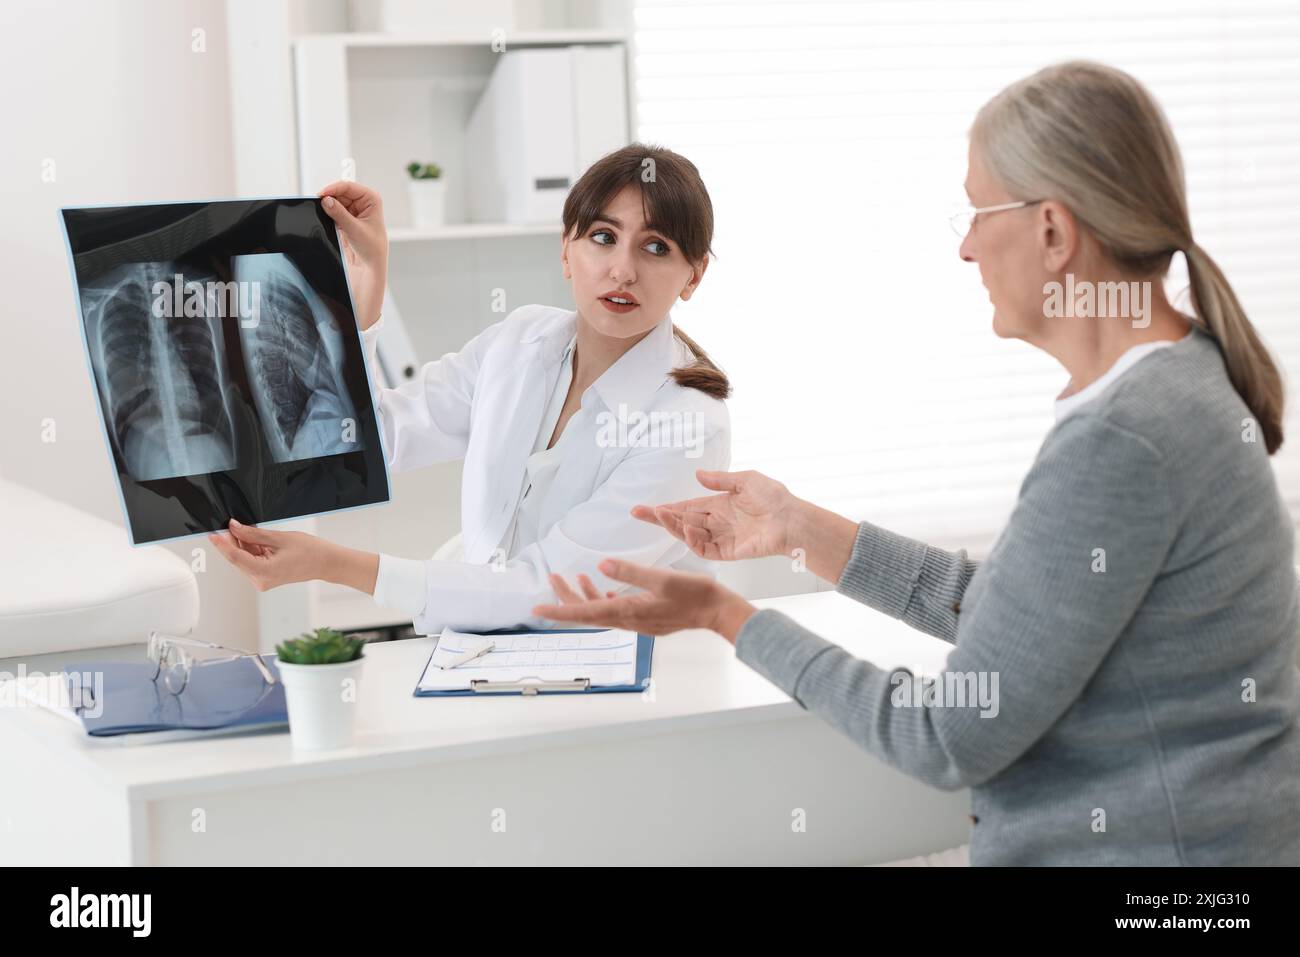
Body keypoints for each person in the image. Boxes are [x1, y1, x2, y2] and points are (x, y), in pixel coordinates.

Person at [535, 62, 1300, 865]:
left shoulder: (1124, 437)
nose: (966, 248)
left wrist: (726, 616)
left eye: (976, 213)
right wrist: (799, 528)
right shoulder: (1177, 377)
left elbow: (947, 735)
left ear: (1052, 231)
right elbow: (1019, 617)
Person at [210, 144, 730, 633]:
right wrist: (364, 299)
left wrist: (332, 564)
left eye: (656, 247)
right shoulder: (521, 341)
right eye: (602, 236)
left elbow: (553, 592)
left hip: (623, 677)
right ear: (566, 250)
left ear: (694, 275)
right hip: (484, 655)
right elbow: (374, 440)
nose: (622, 270)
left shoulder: (688, 425)